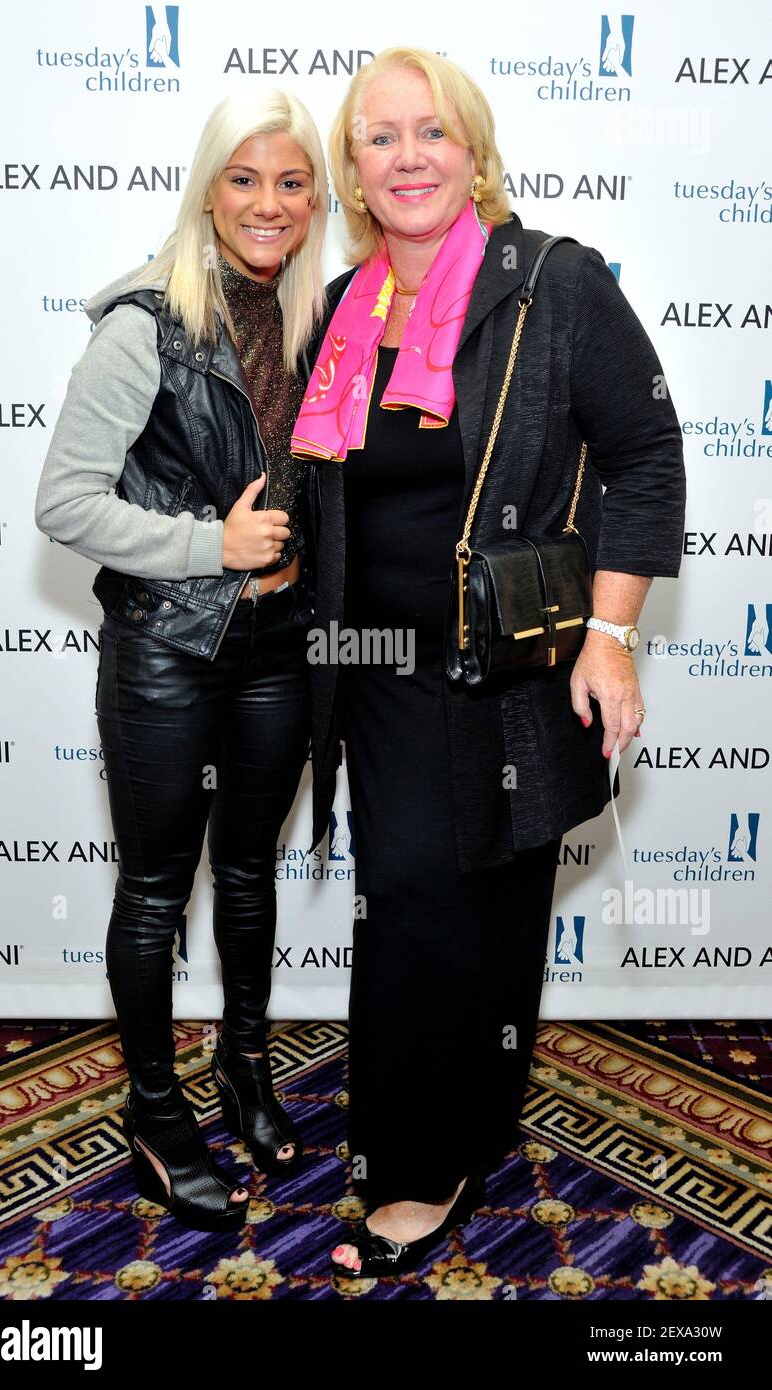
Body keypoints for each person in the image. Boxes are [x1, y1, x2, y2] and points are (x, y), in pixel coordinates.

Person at [291, 48, 686, 1277]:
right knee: (411, 896)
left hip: (508, 660)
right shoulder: (348, 306)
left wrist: (610, 638)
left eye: (430, 133)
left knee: (473, 898)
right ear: (352, 168)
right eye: (378, 138)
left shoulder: (548, 283)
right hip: (369, 660)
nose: (406, 157)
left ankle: (444, 1147)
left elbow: (645, 456)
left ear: (473, 151)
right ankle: (415, 1149)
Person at [34, 89, 328, 1233]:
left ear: (314, 201)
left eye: (291, 182)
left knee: (246, 869)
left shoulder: (320, 322)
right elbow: (64, 501)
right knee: (157, 888)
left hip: (281, 647)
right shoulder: (142, 322)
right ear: (209, 187)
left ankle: (244, 1071)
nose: (268, 203)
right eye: (245, 179)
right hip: (167, 647)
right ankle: (156, 1114)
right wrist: (209, 545)